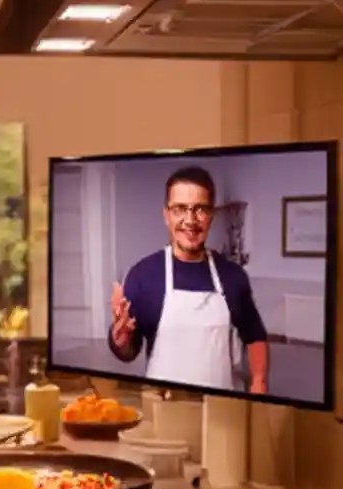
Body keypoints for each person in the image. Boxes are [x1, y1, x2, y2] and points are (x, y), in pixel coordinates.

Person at [107, 166, 269, 393]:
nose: (190, 220)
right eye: (180, 209)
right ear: (166, 215)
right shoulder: (143, 276)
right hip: (164, 405)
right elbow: (128, 352)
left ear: (211, 215)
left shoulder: (233, 276)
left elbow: (255, 336)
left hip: (224, 408)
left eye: (200, 209)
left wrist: (259, 382)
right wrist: (121, 341)